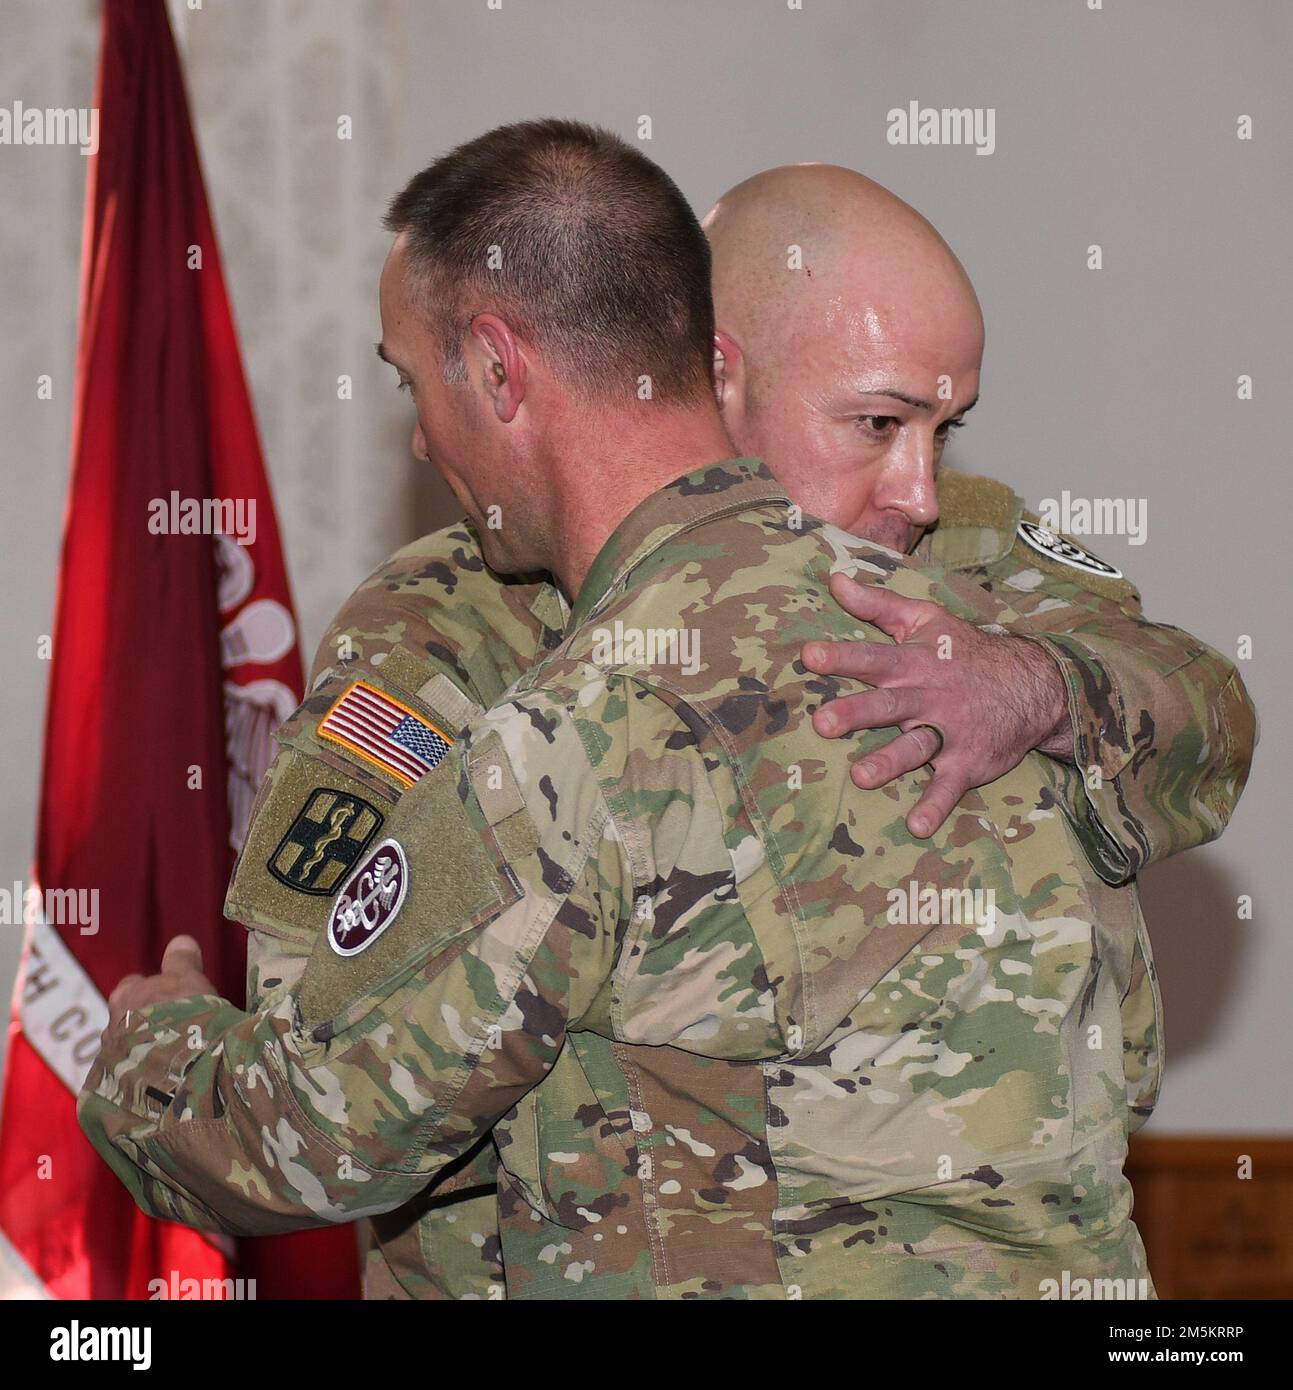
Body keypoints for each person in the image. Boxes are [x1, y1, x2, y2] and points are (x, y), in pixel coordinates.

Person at [79, 123, 1253, 1299]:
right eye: (878, 424)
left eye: (948, 431)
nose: (919, 490)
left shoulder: (965, 601)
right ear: (718, 370)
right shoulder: (453, 623)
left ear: (500, 371)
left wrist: (1037, 687)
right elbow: (327, 1004)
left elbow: (314, 1118)